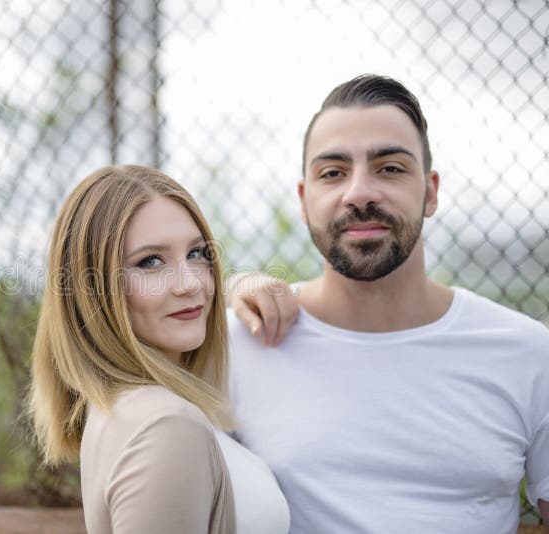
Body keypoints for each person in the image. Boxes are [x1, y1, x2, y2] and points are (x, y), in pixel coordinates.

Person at [228, 74, 549, 533]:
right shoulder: (240, 343)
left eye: (391, 168)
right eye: (332, 172)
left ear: (431, 191)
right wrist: (227, 285)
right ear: (304, 200)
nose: (359, 193)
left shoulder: (528, 354)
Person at [29, 165, 290, 533]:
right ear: (93, 292)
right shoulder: (166, 428)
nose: (190, 283)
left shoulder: (127, 407)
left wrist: (242, 285)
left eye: (198, 254)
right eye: (151, 262)